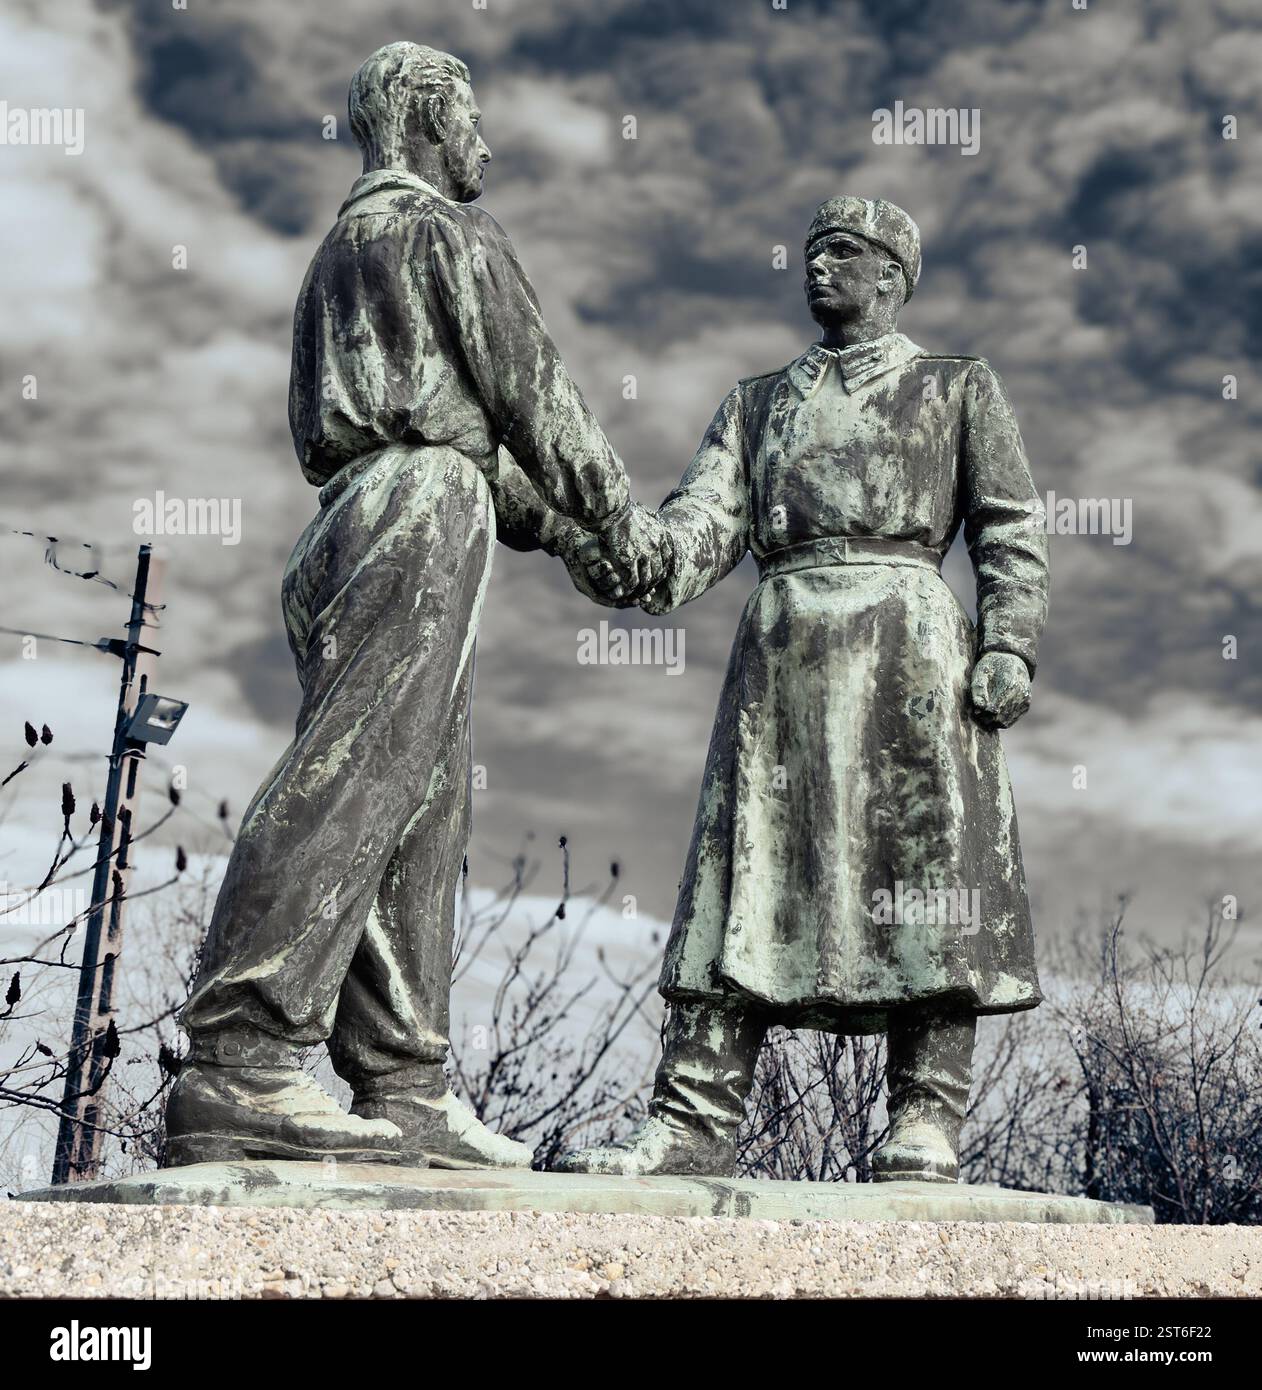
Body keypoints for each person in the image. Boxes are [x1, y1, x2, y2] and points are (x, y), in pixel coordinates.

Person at [168, 43, 664, 1169]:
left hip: (355, 515)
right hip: (415, 511)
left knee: (416, 798)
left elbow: (450, 432)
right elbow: (535, 401)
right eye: (472, 117)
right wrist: (619, 528)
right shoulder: (446, 233)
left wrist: (562, 531)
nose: (484, 143)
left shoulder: (334, 257)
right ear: (430, 121)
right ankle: (242, 1057)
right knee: (353, 775)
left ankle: (402, 1081)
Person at [559, 197, 1050, 1182]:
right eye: (813, 253)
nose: (815, 269)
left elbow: (1007, 527)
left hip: (910, 646)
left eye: (841, 255)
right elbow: (697, 527)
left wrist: (1009, 646)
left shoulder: (953, 385)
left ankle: (923, 1111)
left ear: (889, 274)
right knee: (742, 874)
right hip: (782, 649)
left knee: (927, 872)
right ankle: (692, 1118)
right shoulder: (756, 402)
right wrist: (612, 543)